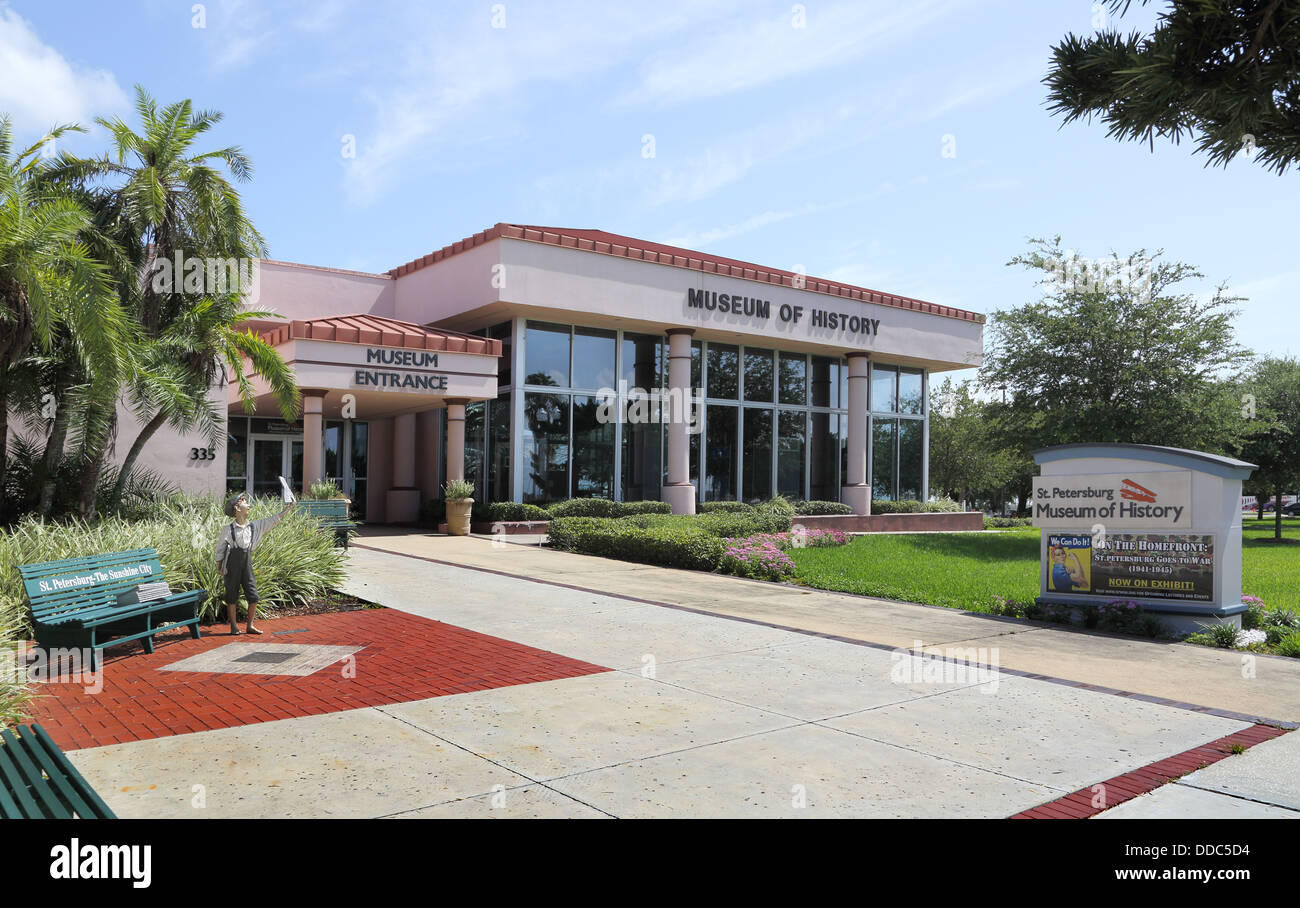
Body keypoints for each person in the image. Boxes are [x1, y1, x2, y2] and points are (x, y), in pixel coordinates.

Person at [214, 492, 297, 635]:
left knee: (253, 595)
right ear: (237, 508)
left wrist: (289, 508)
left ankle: (250, 625)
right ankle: (234, 626)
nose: (249, 504)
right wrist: (219, 567)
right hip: (232, 567)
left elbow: (273, 519)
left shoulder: (255, 527)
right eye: (245, 502)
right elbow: (220, 549)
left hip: (247, 565)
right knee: (231, 595)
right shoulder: (228, 530)